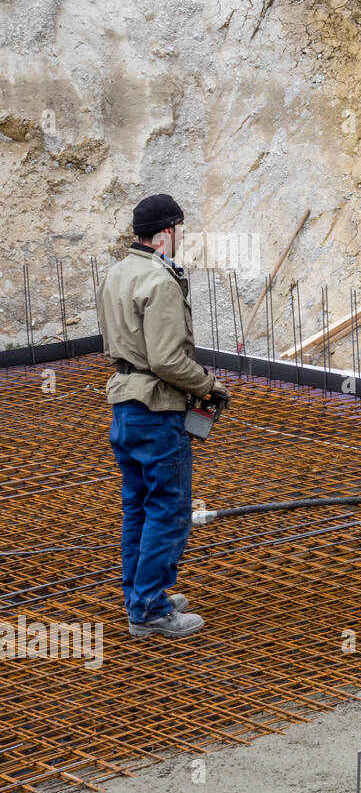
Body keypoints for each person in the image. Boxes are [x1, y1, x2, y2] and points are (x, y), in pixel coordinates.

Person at [96, 194, 231, 636]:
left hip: (124, 407)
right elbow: (168, 360)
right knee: (169, 510)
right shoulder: (160, 280)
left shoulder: (117, 273)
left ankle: (141, 594)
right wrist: (209, 387)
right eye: (181, 231)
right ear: (167, 232)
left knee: (138, 507)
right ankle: (151, 609)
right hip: (157, 411)